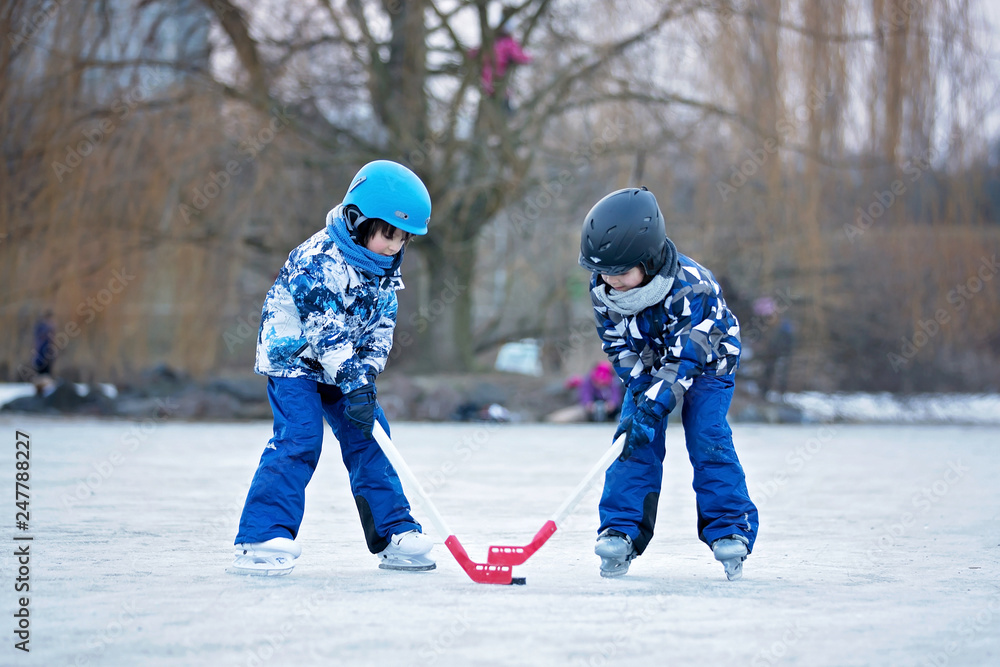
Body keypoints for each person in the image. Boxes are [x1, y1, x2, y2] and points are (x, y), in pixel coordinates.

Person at [231, 160, 436, 576]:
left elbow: (382, 327)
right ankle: (261, 535)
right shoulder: (318, 261)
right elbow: (326, 333)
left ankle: (394, 533)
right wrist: (353, 380)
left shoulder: (383, 270)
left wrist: (368, 375)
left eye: (403, 239)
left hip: (345, 368)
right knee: (300, 438)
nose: (395, 246)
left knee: (372, 439)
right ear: (358, 219)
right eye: (389, 234)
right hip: (297, 362)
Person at [578, 186, 759, 580]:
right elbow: (616, 344)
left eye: (622, 272)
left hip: (708, 361)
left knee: (706, 435)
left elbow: (685, 359)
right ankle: (620, 529)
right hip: (649, 365)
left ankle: (730, 527)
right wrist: (641, 390)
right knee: (633, 437)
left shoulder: (692, 287)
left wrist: (659, 400)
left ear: (649, 258)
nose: (613, 282)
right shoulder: (604, 288)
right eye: (604, 273)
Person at [32, 310, 56, 377]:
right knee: (41, 365)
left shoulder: (51, 325)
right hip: (41, 349)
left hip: (48, 350)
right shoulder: (42, 326)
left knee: (48, 364)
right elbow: (38, 338)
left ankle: (46, 378)